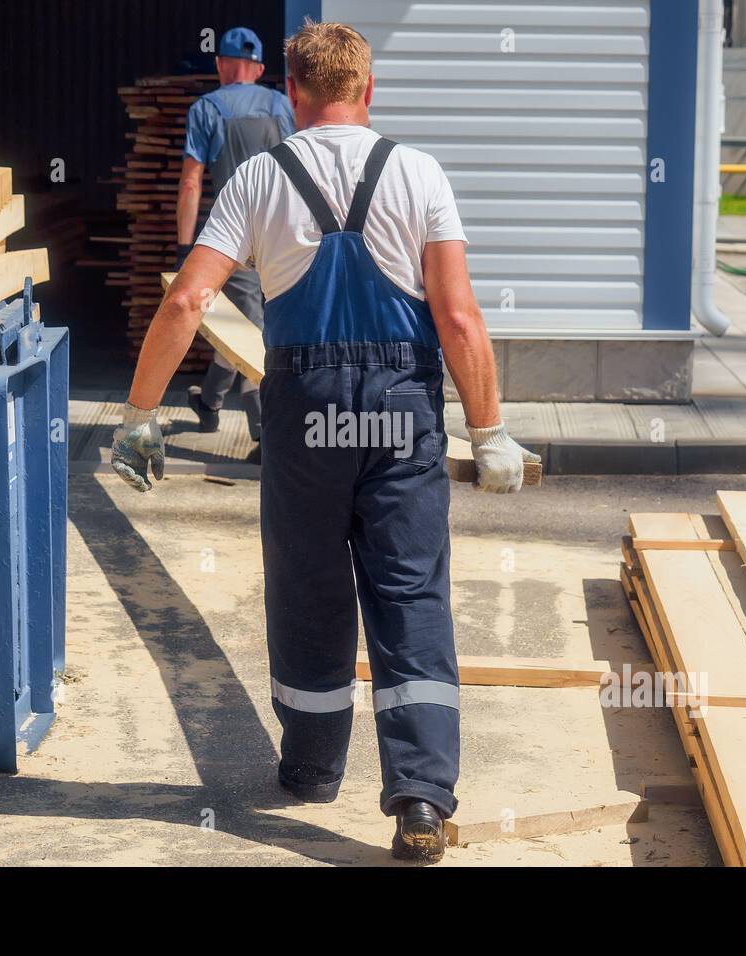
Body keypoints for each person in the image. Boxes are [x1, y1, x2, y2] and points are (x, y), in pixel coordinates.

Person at [113, 19, 537, 863]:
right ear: (368, 91)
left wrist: (138, 415)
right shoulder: (419, 174)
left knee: (309, 589)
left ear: (293, 96)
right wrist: (487, 430)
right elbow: (456, 315)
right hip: (399, 410)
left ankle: (309, 770)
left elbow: (187, 302)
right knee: (410, 592)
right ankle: (420, 797)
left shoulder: (260, 178)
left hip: (305, 411)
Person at [179, 26, 293, 454]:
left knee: (246, 328)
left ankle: (259, 431)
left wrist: (185, 247)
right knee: (256, 327)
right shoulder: (282, 106)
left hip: (235, 239)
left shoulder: (206, 108)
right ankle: (213, 405)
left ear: (221, 65)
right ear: (260, 68)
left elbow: (191, 183)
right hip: (284, 237)